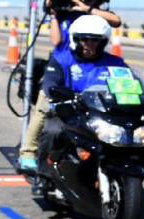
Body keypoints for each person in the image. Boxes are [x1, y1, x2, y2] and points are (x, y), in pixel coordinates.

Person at [18, 0, 121, 170]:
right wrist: (53, 14)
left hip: (90, 65)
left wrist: (86, 8)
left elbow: (115, 21)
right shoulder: (62, 16)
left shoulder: (92, 15)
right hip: (63, 64)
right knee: (44, 107)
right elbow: (56, 41)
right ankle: (27, 152)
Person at [35, 14, 127, 161]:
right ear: (76, 39)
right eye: (84, 39)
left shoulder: (115, 62)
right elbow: (50, 80)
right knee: (53, 131)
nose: (89, 44)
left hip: (103, 112)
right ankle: (43, 176)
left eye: (95, 40)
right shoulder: (62, 59)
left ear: (103, 42)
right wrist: (56, 93)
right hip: (69, 110)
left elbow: (129, 82)